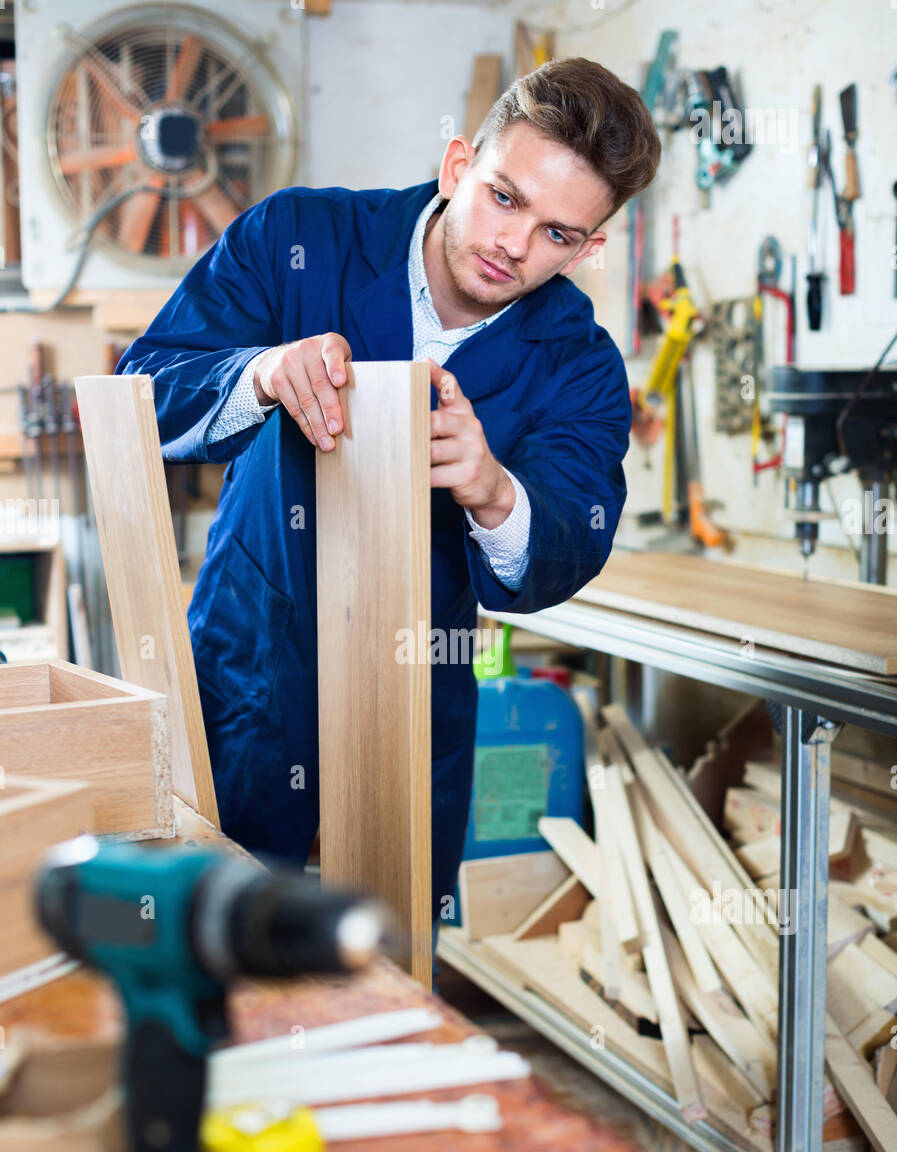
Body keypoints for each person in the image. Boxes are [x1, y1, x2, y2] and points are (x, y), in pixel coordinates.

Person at [117, 56, 661, 953]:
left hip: (414, 699)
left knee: (389, 969)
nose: (514, 246)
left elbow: (571, 540)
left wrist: (492, 489)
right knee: (221, 957)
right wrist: (257, 374)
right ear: (457, 166)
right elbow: (144, 388)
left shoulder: (581, 365)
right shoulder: (298, 236)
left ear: (590, 247)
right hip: (250, 665)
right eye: (503, 197)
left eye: (559, 234)